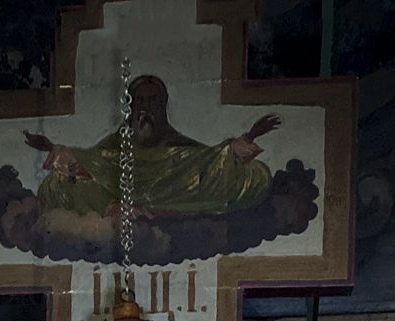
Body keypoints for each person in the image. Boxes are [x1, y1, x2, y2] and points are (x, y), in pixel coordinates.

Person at [25, 73, 280, 218]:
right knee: (60, 184)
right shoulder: (116, 144)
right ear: (131, 106)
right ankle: (118, 209)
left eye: (152, 101)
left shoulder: (176, 145)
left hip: (169, 192)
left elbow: (207, 159)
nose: (146, 108)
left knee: (253, 176)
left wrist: (247, 138)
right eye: (140, 101)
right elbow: (91, 162)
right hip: (120, 196)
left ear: (162, 105)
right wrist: (51, 148)